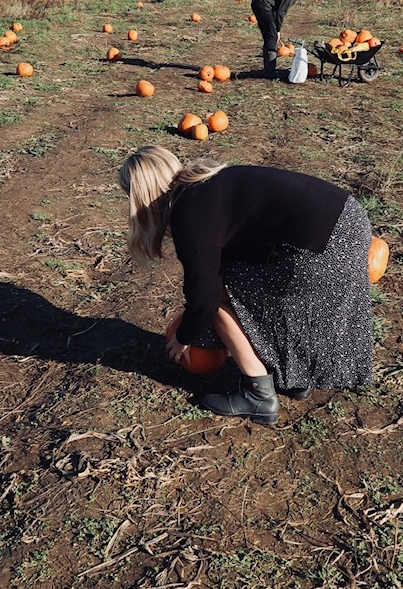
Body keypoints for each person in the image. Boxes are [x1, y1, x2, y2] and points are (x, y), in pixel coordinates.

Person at [118, 146, 374, 423]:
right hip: (351, 223)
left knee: (221, 294)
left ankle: (258, 394)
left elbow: (205, 296)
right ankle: (296, 378)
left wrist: (184, 337)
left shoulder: (188, 210)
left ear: (140, 199)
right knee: (256, 286)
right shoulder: (210, 182)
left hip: (322, 246)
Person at [251, 0, 318, 79]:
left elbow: (277, 8)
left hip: (261, 2)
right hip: (262, 4)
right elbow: (281, 12)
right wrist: (277, 30)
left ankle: (269, 69)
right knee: (272, 37)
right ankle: (270, 73)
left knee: (270, 36)